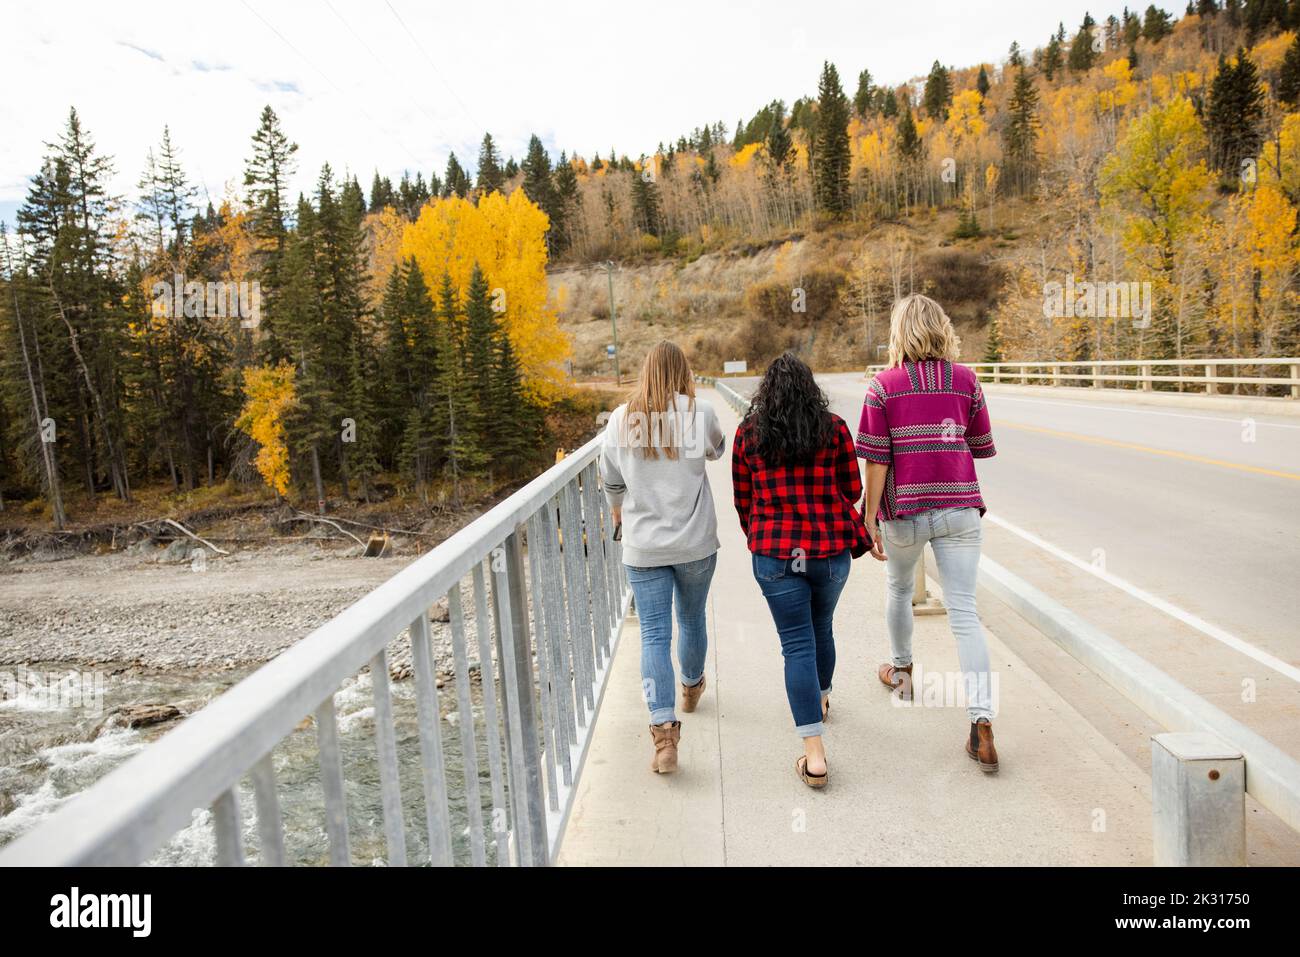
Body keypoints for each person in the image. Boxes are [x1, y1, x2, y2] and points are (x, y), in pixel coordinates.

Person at [855, 293, 1001, 772]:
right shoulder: (966, 380)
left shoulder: (883, 387)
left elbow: (877, 459)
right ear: (943, 328)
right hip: (960, 507)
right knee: (964, 612)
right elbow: (979, 445)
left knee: (899, 589)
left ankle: (902, 672)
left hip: (906, 510)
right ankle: (982, 724)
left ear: (899, 333)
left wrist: (869, 514)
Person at [732, 352, 870, 789]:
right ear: (811, 388)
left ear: (766, 391)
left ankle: (814, 755)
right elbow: (852, 490)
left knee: (797, 645)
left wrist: (760, 537)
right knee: (821, 627)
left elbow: (743, 499)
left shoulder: (748, 434)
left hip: (775, 556)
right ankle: (822, 697)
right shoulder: (834, 429)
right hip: (829, 553)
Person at [600, 341, 726, 774]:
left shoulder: (620, 419)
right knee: (691, 620)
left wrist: (618, 507)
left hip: (644, 546)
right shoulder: (700, 412)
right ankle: (691, 686)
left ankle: (663, 734)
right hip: (694, 543)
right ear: (684, 372)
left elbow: (611, 478)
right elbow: (717, 450)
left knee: (654, 635)